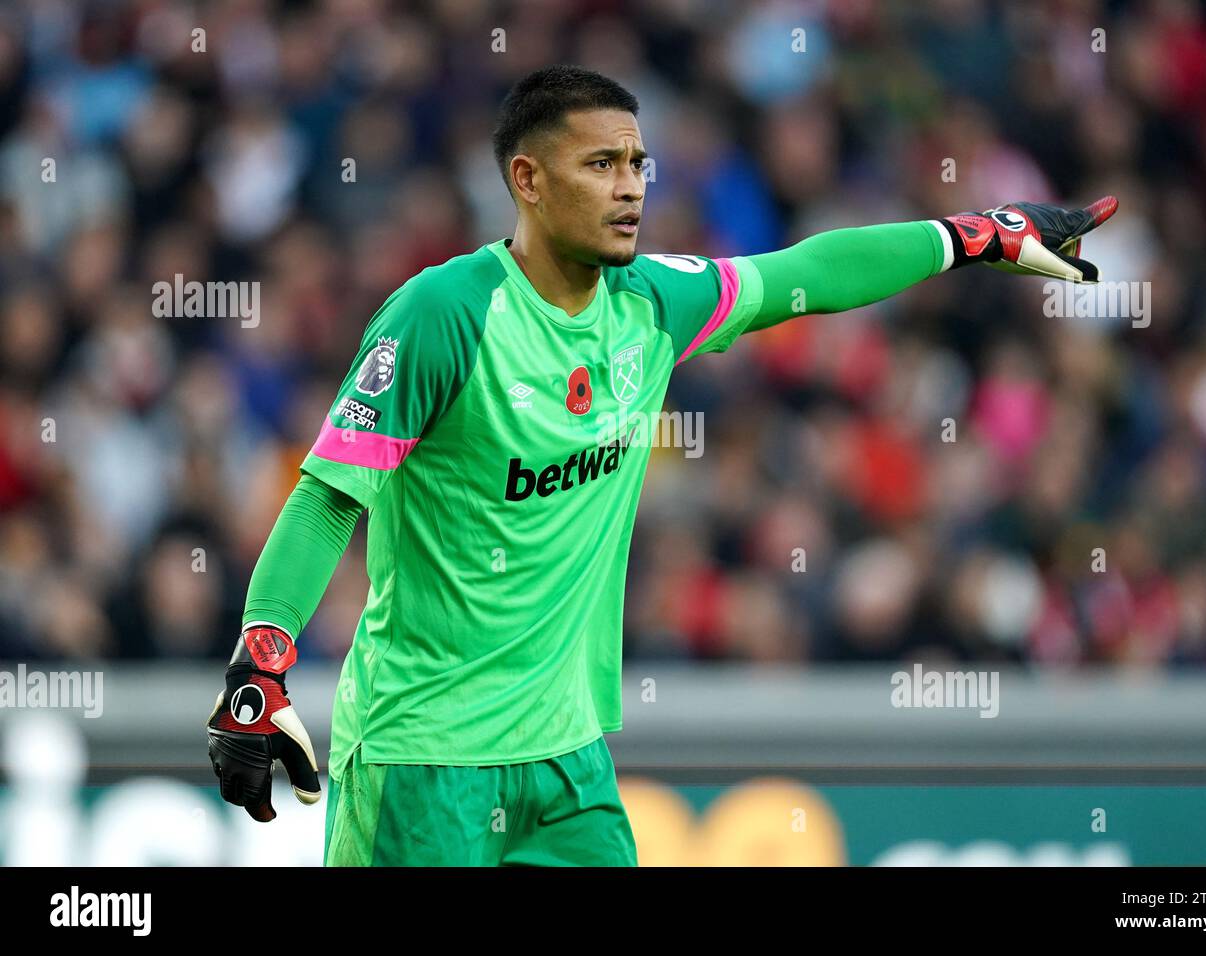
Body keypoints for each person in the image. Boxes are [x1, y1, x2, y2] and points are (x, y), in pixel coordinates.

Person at [205, 64, 1116, 866]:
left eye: (638, 164)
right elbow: (329, 498)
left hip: (570, 759)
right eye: (601, 165)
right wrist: (262, 664)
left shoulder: (652, 303)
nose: (631, 187)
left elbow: (808, 272)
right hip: (423, 757)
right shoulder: (443, 313)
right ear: (526, 179)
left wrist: (976, 235)